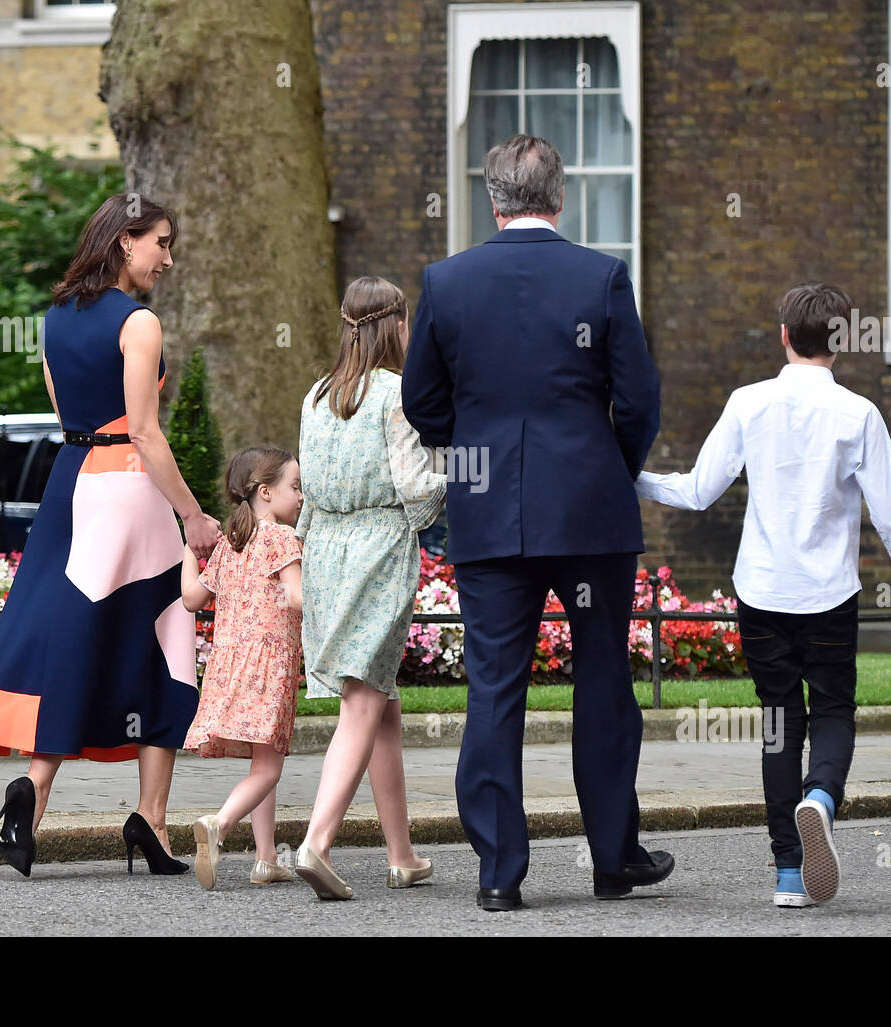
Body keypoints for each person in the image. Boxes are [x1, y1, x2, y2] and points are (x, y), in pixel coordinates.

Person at [402, 134, 669, 912]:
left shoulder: (447, 282)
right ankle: (614, 856)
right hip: (588, 512)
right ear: (560, 196)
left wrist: (475, 457)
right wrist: (604, 463)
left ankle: (498, 869)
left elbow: (422, 403)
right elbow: (640, 399)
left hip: (490, 517)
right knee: (605, 687)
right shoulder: (602, 275)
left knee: (493, 689)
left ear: (493, 199)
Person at [636, 282, 891, 908]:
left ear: (783, 337)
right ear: (843, 341)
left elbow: (696, 491)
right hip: (829, 592)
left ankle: (789, 874)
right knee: (831, 710)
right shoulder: (858, 414)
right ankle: (821, 797)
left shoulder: (748, 404)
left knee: (777, 722)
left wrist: (630, 477)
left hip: (763, 591)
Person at [0, 193, 220, 878]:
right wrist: (193, 513)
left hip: (71, 482)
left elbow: (65, 407)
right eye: (161, 241)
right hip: (127, 482)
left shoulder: (55, 318)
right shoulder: (140, 323)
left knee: (80, 634)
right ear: (125, 240)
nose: (168, 256)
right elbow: (145, 430)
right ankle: (150, 821)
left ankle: (33, 795)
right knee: (168, 637)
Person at [293, 275, 445, 901]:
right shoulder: (396, 394)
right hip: (378, 550)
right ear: (396, 325)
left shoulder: (317, 392)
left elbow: (307, 490)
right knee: (363, 699)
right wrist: (453, 471)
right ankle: (316, 844)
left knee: (381, 699)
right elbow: (416, 489)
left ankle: (401, 855)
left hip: (326, 547)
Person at [182, 447, 304, 891]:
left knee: (260, 763)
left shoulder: (232, 545)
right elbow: (294, 597)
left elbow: (192, 599)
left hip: (231, 666)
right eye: (295, 486)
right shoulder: (283, 539)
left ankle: (267, 858)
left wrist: (187, 549)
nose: (302, 496)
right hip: (269, 666)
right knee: (269, 769)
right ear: (266, 492)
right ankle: (219, 824)